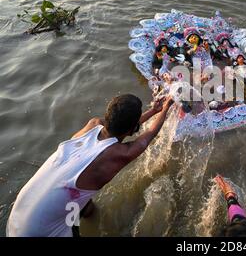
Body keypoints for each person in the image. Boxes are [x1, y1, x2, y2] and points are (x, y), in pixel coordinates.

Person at [6, 94, 174, 237]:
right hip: (38, 232)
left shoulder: (93, 125)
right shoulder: (116, 155)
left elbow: (123, 129)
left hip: (17, 218)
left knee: (85, 203)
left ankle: (88, 214)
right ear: (132, 128)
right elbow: (148, 136)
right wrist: (165, 109)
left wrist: (153, 111)